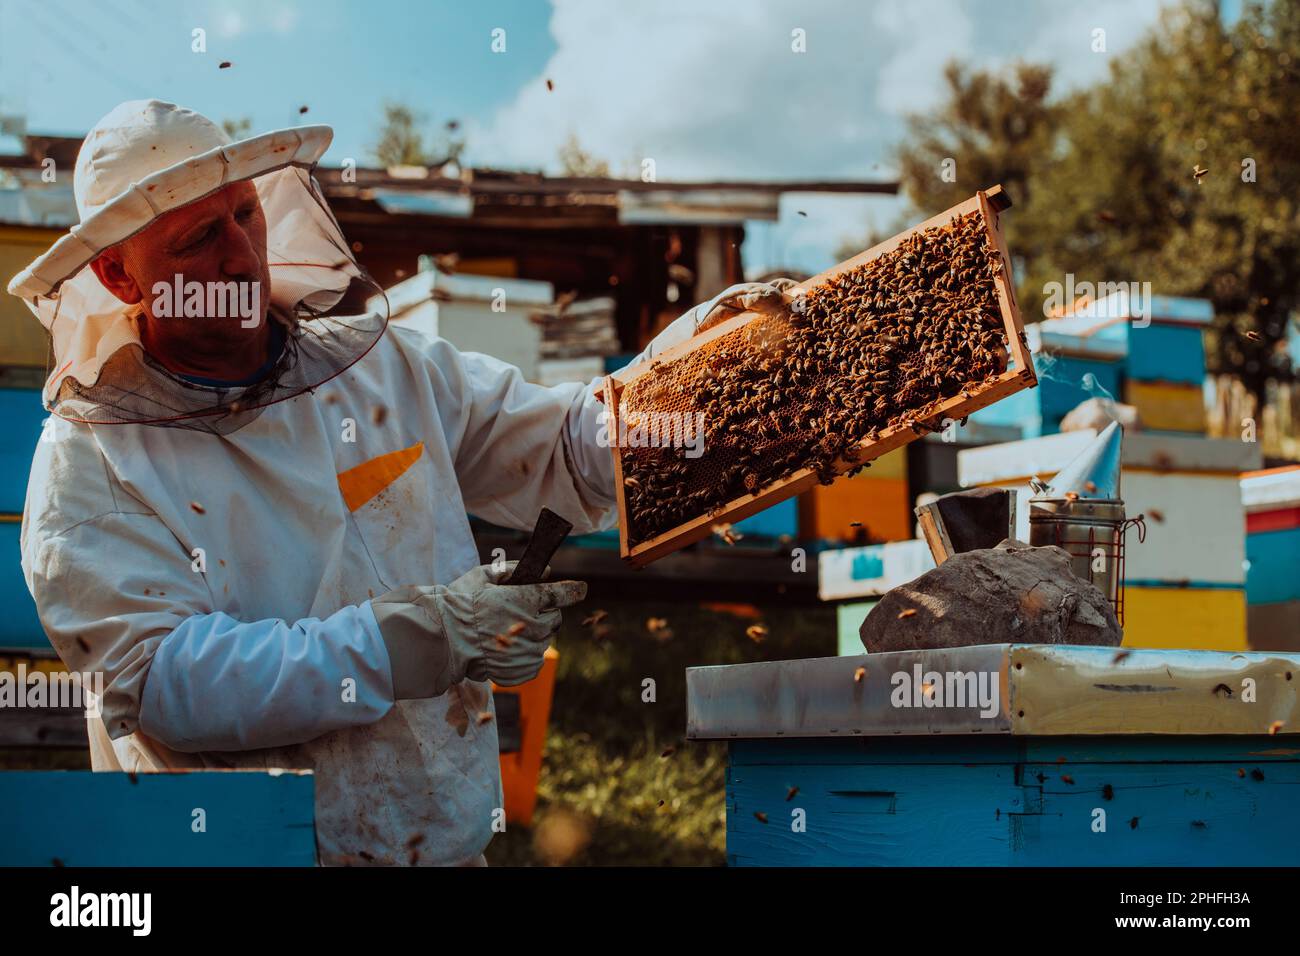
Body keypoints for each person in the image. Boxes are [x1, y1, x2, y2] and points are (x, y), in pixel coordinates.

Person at [9, 100, 794, 865]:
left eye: (246, 214)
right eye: (199, 238)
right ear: (117, 274)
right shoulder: (87, 464)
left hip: (439, 839)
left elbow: (558, 445)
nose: (243, 257)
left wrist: (685, 379)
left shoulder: (385, 369)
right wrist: (421, 638)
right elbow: (166, 683)